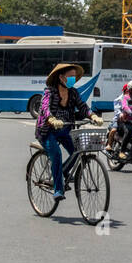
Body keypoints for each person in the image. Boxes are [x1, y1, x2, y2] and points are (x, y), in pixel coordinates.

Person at [35, 62, 102, 201]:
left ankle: (63, 171)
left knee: (78, 151)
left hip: (65, 129)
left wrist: (92, 115)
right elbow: (45, 107)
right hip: (47, 131)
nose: (73, 79)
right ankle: (58, 189)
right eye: (70, 76)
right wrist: (51, 119)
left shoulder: (73, 92)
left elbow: (82, 106)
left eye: (74, 77)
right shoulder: (50, 91)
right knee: (57, 154)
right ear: (61, 77)